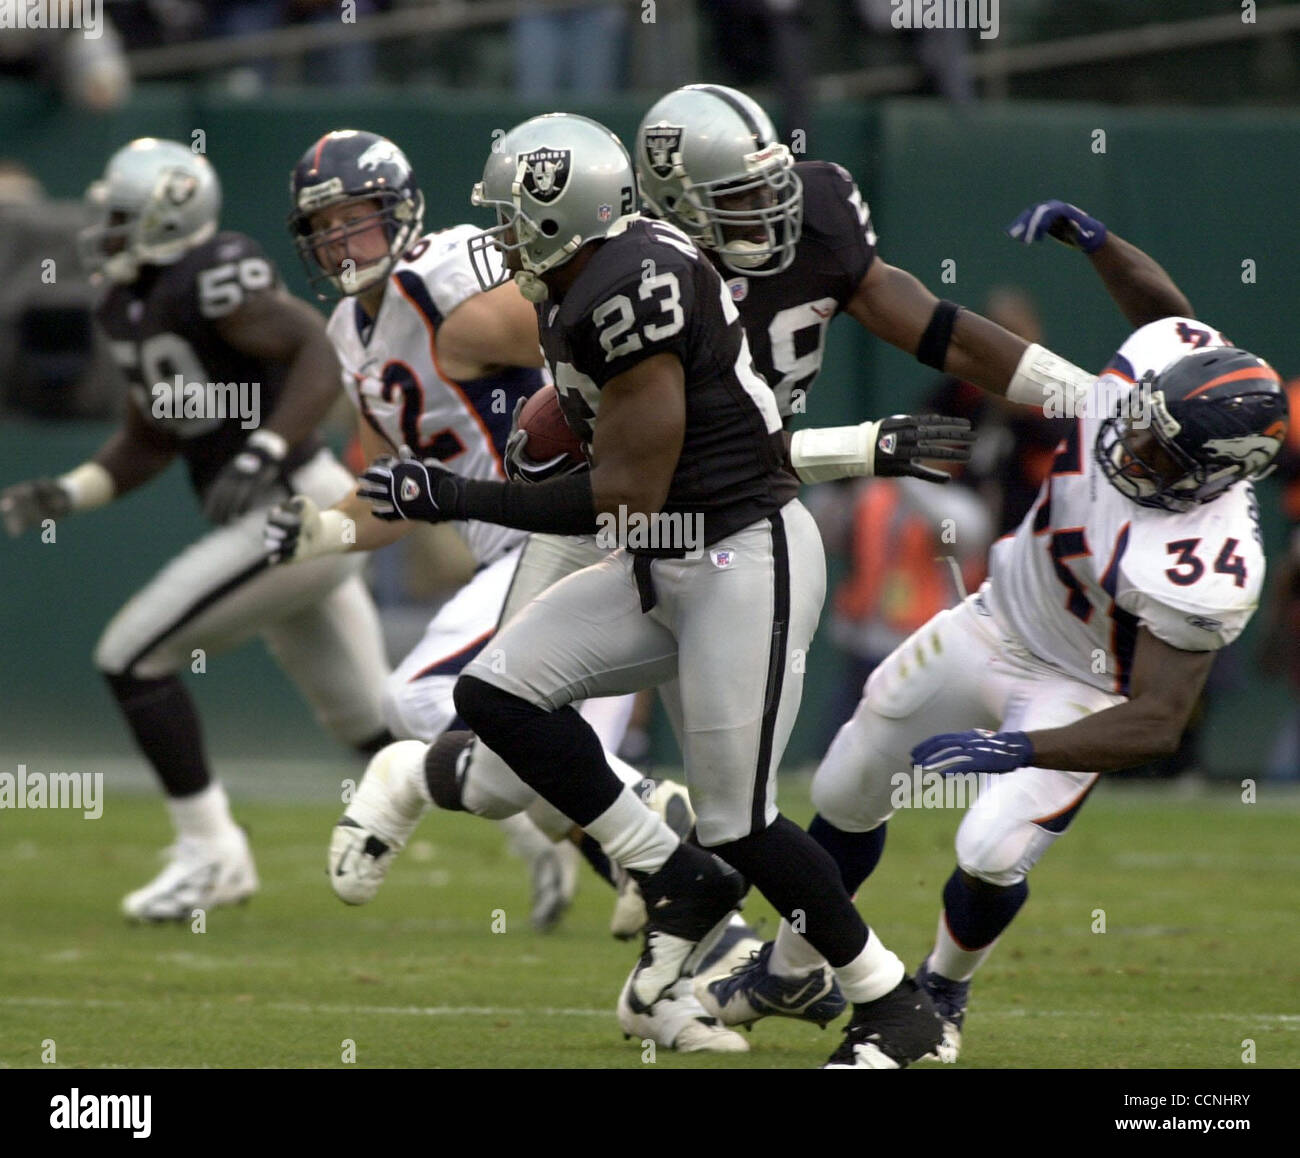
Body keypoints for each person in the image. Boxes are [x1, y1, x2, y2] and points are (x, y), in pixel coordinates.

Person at [355, 111, 964, 1069]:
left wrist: (455, 493)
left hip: (740, 557)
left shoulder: (626, 287)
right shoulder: (575, 283)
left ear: (561, 218)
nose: (500, 237)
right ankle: (670, 869)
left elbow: (623, 492)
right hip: (661, 559)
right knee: (494, 695)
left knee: (743, 821)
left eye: (513, 217)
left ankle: (895, 1007)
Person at [726, 198, 1289, 1062]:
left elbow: (1159, 720)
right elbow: (1169, 318)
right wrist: (1099, 241)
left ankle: (943, 992)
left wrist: (1024, 751)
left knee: (988, 845)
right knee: (844, 788)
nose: (1128, 445)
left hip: (1083, 685)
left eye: (1158, 452)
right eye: (1139, 424)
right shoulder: (1156, 394)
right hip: (994, 620)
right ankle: (794, 966)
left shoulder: (1209, 560)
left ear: (1213, 478)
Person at [633, 84, 1103, 1024]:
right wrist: (862, 447)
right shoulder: (644, 279)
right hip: (629, 514)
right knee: (493, 720)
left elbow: (927, 322)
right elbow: (666, 459)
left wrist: (1083, 392)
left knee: (754, 803)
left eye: (769, 185)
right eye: (736, 197)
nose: (769, 211)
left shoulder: (817, 214)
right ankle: (666, 849)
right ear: (673, 204)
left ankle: (794, 964)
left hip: (737, 530)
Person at [273, 128, 667, 935]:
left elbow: (604, 339)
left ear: (401, 212)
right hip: (524, 556)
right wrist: (315, 534)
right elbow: (389, 495)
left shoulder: (454, 279)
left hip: (560, 536)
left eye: (357, 219)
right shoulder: (350, 335)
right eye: (324, 228)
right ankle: (682, 905)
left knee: (422, 696)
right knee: (546, 760)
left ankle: (652, 822)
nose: (341, 241)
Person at [0, 138, 392, 920]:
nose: (103, 229)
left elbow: (312, 347)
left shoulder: (215, 272)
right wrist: (70, 493)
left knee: (132, 655)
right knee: (380, 729)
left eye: (120, 216)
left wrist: (266, 446)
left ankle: (212, 853)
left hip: (295, 506)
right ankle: (547, 833)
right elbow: (151, 436)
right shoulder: (125, 300)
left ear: (168, 214)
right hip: (277, 510)